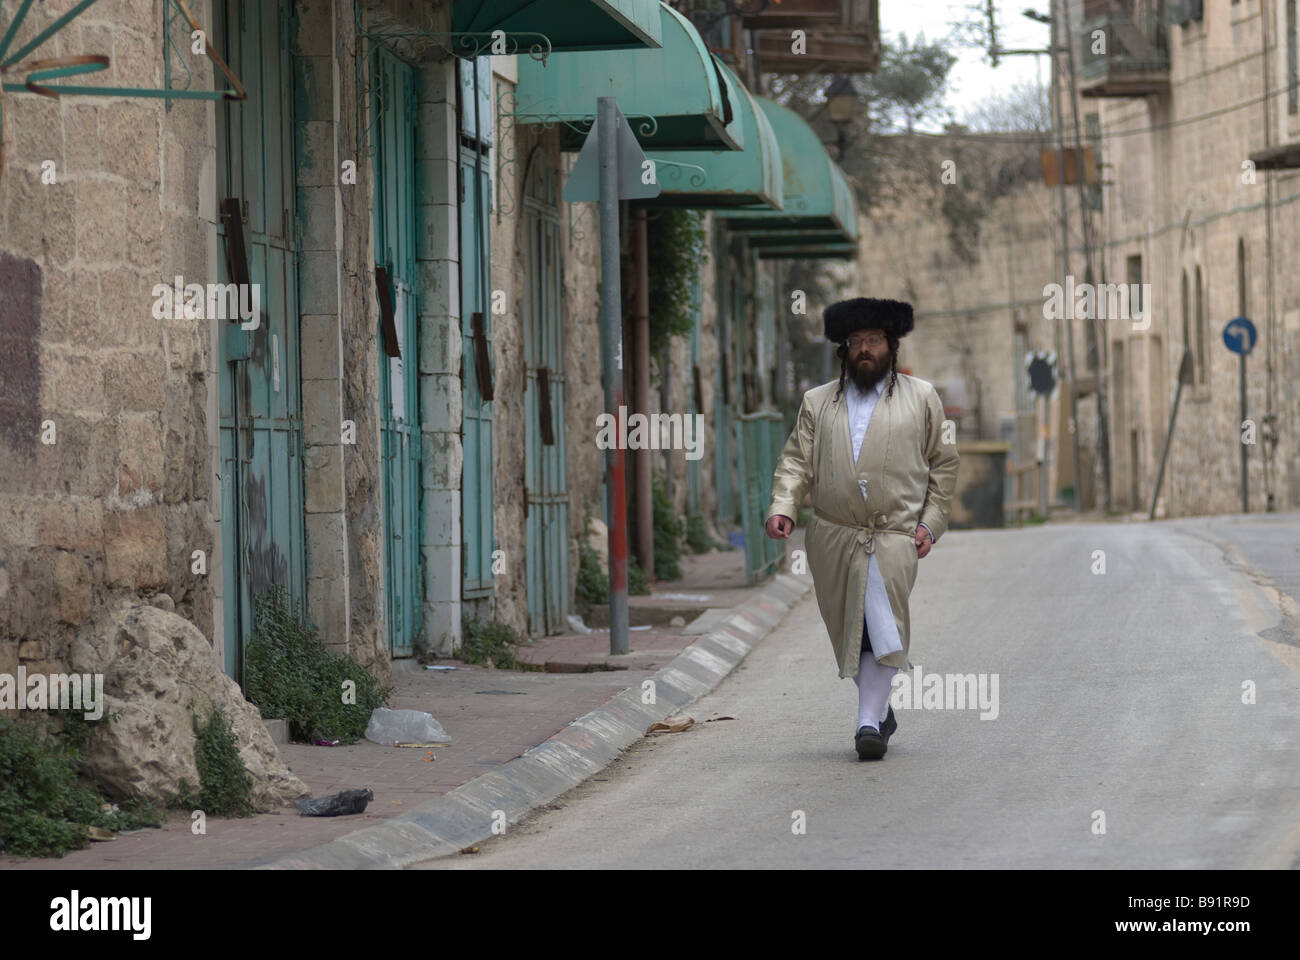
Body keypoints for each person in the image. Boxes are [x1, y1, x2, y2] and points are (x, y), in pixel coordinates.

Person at [765, 297, 959, 760]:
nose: (865, 350)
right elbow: (796, 460)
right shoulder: (818, 402)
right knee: (851, 626)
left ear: (891, 345)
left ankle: (867, 723)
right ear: (844, 350)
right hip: (833, 535)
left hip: (893, 534)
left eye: (873, 340)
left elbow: (944, 466)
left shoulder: (923, 398)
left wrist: (931, 523)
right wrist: (784, 504)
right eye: (856, 342)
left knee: (881, 626)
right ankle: (877, 710)